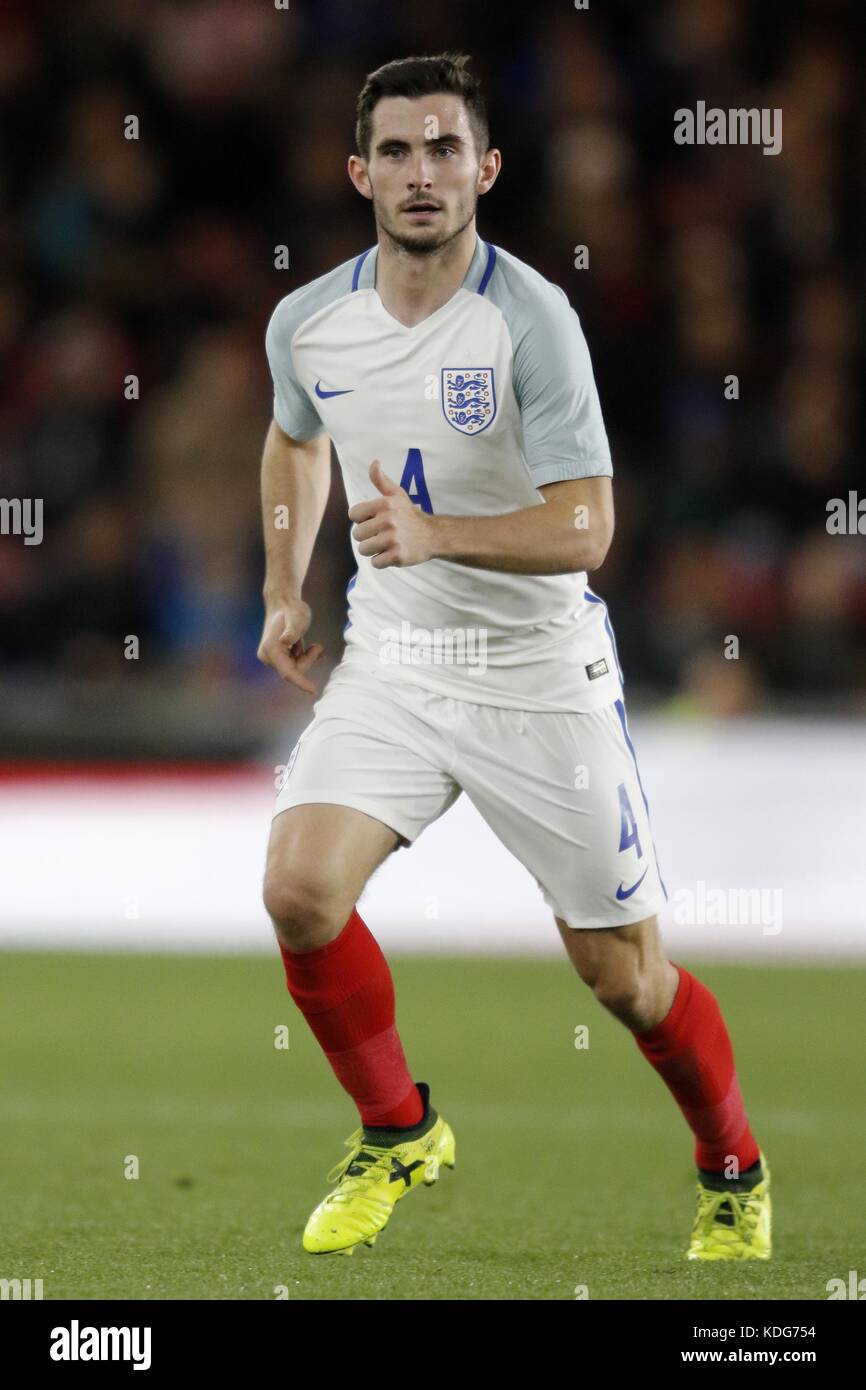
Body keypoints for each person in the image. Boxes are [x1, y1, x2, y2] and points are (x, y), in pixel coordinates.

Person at [257, 52, 771, 1260]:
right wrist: (285, 584)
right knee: (297, 889)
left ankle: (731, 1165)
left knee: (625, 982)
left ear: (485, 168)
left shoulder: (529, 320)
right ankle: (398, 1130)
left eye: (443, 148)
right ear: (358, 172)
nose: (419, 172)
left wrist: (441, 533)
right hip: (394, 655)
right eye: (395, 150)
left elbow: (588, 525)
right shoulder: (307, 320)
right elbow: (294, 444)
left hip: (538, 675)